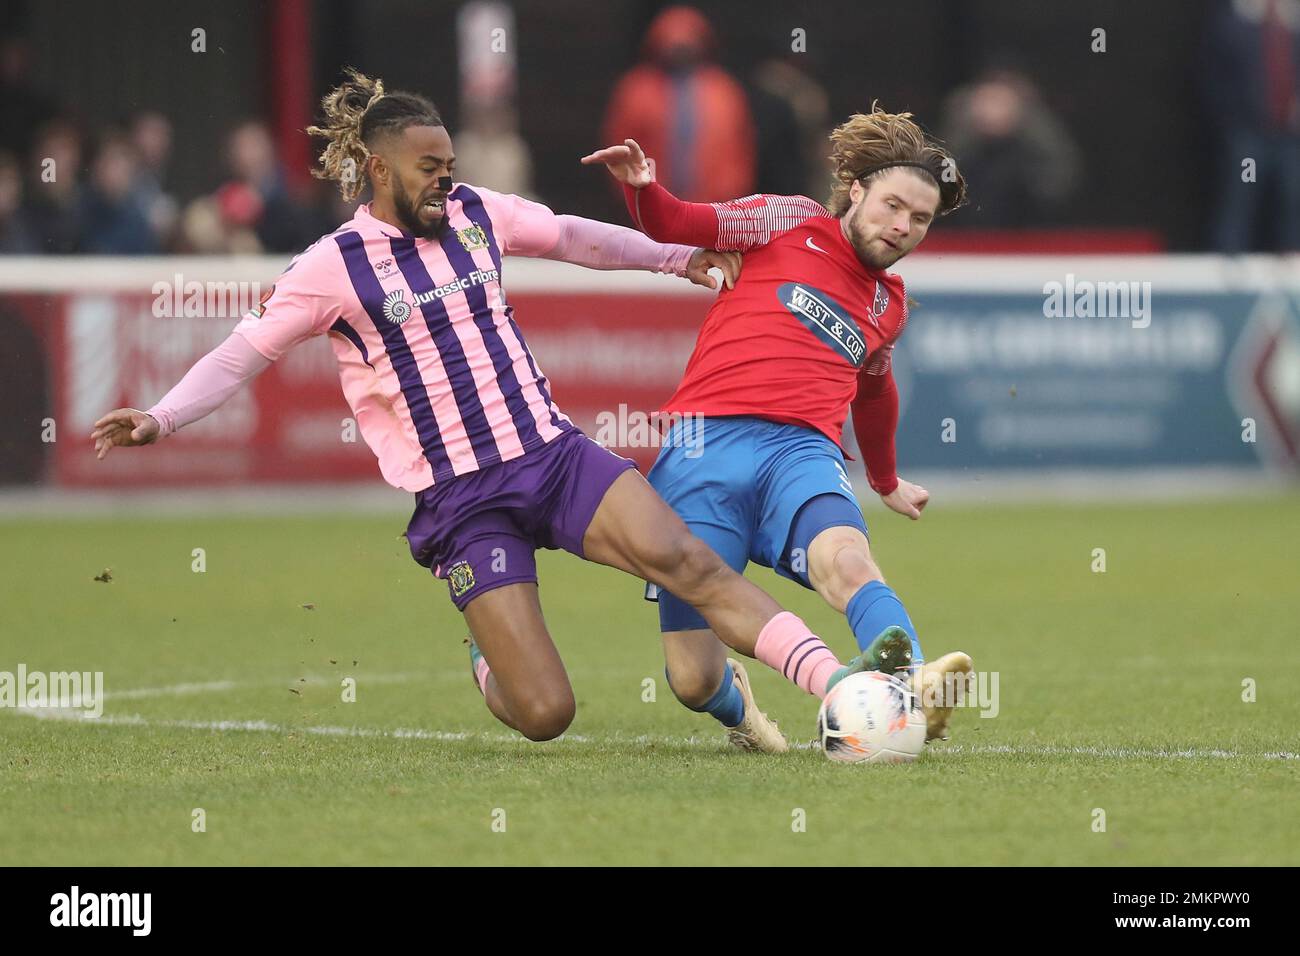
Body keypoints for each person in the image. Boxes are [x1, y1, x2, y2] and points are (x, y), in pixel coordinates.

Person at [90, 70, 886, 748]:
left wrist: (676, 256)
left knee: (689, 563)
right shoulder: (330, 268)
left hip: (551, 456)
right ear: (376, 167)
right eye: (427, 166)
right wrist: (161, 418)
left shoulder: (476, 213)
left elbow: (575, 236)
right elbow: (244, 353)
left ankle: (838, 686)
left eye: (449, 163)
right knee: (545, 713)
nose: (444, 177)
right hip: (463, 501)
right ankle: (485, 652)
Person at [583, 104, 976, 749]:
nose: (902, 227)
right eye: (892, 206)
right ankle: (739, 712)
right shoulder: (789, 220)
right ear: (857, 190)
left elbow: (874, 392)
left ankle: (911, 683)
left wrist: (884, 479)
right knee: (690, 679)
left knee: (848, 564)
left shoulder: (889, 302)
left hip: (802, 452)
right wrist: (644, 189)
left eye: (920, 220)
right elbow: (682, 223)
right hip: (703, 446)